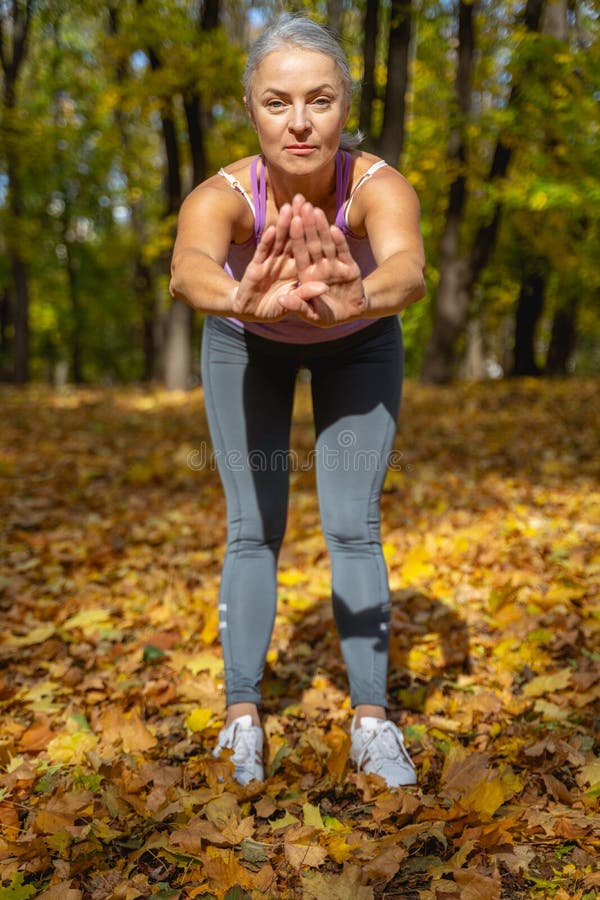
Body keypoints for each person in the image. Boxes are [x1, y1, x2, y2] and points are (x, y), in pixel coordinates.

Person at [169, 14, 426, 788]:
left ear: (346, 105)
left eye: (320, 100)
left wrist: (360, 296)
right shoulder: (224, 194)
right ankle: (242, 718)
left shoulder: (376, 185)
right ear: (250, 107)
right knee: (254, 529)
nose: (301, 122)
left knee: (353, 527)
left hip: (360, 343)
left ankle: (373, 725)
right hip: (248, 344)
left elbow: (408, 271)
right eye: (278, 102)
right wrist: (243, 297)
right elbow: (188, 271)